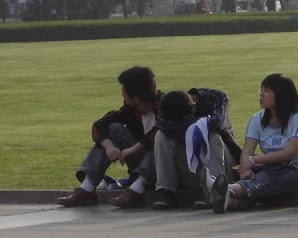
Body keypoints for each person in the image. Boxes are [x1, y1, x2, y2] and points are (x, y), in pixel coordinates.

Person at [57, 66, 161, 209]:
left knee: (160, 139)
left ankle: (137, 190)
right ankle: (87, 188)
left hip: (163, 169)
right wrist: (109, 147)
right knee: (114, 129)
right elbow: (100, 125)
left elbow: (159, 131)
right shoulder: (131, 110)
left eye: (124, 92)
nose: (122, 95)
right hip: (140, 165)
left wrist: (133, 149)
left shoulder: (167, 106)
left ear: (135, 98)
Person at [210, 73, 298, 213]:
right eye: (261, 90)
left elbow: (289, 153)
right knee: (256, 175)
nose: (261, 95)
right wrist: (245, 170)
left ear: (281, 94)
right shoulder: (257, 119)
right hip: (270, 167)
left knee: (269, 177)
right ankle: (230, 201)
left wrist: (254, 160)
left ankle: (225, 190)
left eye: (266, 91)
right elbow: (247, 150)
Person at [152, 88, 240, 210]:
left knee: (211, 135)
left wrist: (195, 126)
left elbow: (216, 123)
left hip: (222, 163)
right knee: (161, 135)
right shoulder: (168, 109)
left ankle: (215, 189)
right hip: (192, 170)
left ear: (194, 108)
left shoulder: (216, 99)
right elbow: (162, 125)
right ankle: (165, 190)